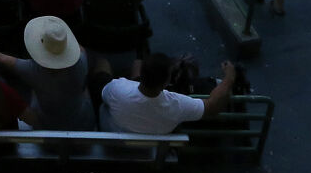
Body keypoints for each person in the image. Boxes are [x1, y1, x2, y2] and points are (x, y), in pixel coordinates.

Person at [0, 16, 98, 130]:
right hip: (83, 123)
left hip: (49, 126)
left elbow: (2, 59)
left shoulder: (33, 71)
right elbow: (78, 49)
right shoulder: (82, 59)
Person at [101, 52, 237, 135]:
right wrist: (230, 77)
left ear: (141, 75)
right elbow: (213, 106)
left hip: (114, 135)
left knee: (102, 63)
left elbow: (104, 94)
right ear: (166, 82)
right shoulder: (177, 104)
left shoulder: (118, 88)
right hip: (150, 151)